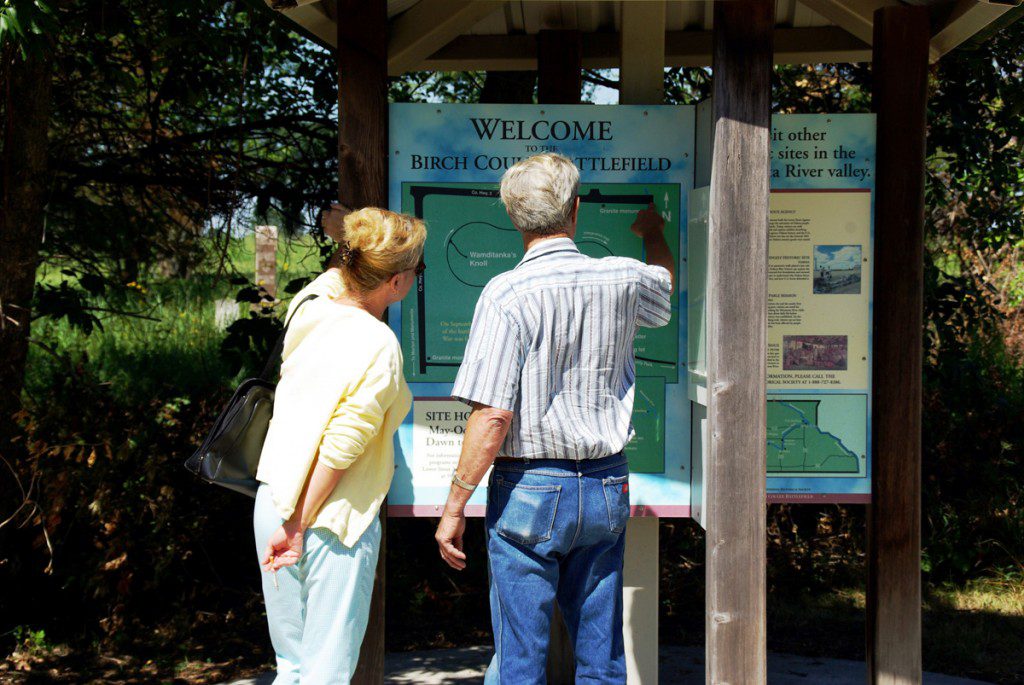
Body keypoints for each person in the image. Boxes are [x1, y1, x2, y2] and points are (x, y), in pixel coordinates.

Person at [434, 153, 675, 683]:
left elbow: (494, 413)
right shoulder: (622, 278)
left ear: (514, 216)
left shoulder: (506, 293)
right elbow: (663, 282)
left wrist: (455, 505)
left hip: (529, 487)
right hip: (607, 481)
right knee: (602, 655)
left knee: (521, 660)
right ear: (575, 208)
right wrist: (653, 232)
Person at [255, 207, 426, 684]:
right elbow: (339, 448)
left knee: (290, 664)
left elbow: (338, 276)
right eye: (417, 270)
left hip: (273, 499)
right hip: (329, 518)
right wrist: (298, 524)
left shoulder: (308, 307)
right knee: (326, 669)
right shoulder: (379, 344)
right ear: (395, 282)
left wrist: (350, 236)